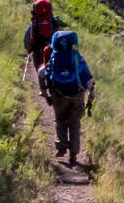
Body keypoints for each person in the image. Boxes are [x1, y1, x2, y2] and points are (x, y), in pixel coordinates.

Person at [40, 29, 95, 168]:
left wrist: (46, 92)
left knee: (60, 120)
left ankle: (62, 146)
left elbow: (43, 73)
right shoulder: (78, 57)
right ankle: (74, 154)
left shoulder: (54, 57)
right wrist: (91, 92)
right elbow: (88, 77)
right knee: (75, 123)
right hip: (77, 94)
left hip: (59, 94)